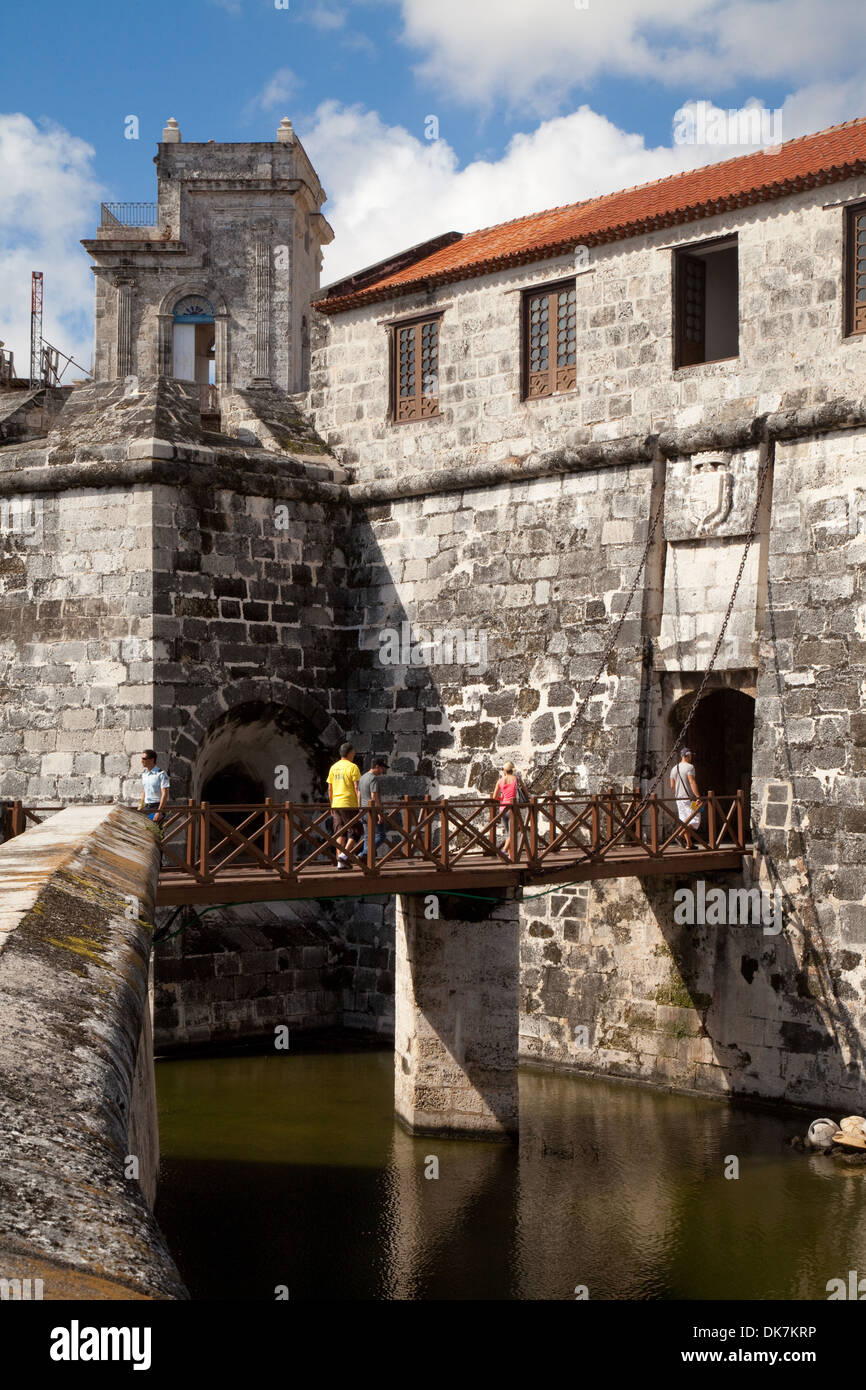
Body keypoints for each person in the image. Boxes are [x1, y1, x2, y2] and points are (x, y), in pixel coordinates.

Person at [327, 741, 361, 869]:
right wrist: (359, 805)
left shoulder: (333, 767)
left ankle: (340, 862)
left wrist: (331, 805)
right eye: (353, 753)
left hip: (336, 804)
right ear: (350, 753)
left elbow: (329, 789)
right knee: (356, 831)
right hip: (349, 803)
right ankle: (343, 856)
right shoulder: (353, 767)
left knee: (340, 832)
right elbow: (357, 787)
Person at [358, 755, 389, 859]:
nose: (383, 770)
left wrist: (359, 809)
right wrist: (380, 813)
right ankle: (364, 854)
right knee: (381, 836)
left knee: (367, 837)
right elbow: (374, 796)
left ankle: (366, 860)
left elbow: (359, 794)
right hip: (372, 811)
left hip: (363, 810)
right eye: (382, 767)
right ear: (376, 766)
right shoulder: (373, 779)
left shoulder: (362, 777)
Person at [670, 747, 701, 844]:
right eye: (691, 755)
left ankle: (689, 844)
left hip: (679, 799)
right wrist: (698, 797)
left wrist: (678, 793)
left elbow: (672, 786)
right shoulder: (690, 767)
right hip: (690, 799)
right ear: (686, 756)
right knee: (695, 819)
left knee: (685, 821)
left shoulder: (674, 768)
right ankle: (679, 835)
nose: (692, 757)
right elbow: (692, 782)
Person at [138, 750, 169, 824]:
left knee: (155, 831)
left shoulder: (161, 774)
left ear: (152, 760)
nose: (141, 761)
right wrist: (140, 805)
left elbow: (164, 793)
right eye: (141, 758)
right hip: (146, 806)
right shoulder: (144, 774)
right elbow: (144, 791)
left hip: (157, 806)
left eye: (144, 759)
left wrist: (159, 811)